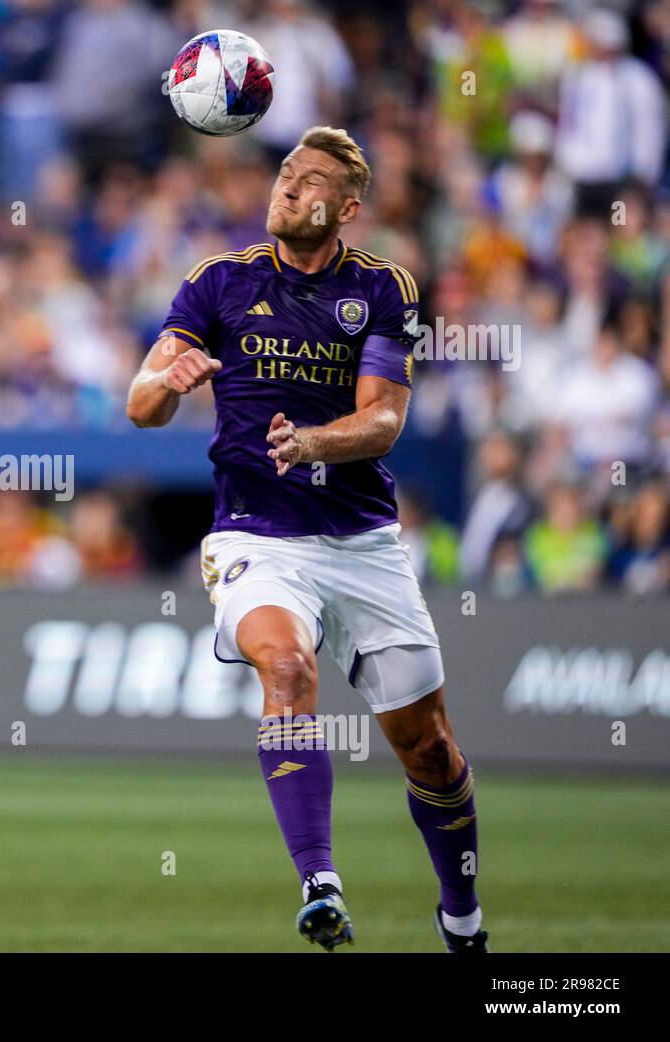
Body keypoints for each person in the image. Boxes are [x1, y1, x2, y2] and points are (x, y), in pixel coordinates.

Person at [127, 127, 487, 953]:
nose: (290, 187)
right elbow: (140, 404)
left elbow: (387, 417)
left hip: (362, 540)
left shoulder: (384, 288)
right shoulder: (218, 283)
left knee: (429, 750)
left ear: (347, 209)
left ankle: (462, 916)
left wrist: (314, 443)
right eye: (286, 172)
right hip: (257, 537)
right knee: (286, 669)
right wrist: (167, 381)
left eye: (312, 181)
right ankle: (320, 883)